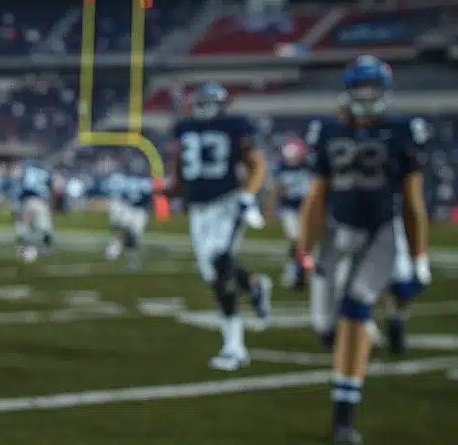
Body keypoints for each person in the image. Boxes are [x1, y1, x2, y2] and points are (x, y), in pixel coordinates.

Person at [300, 56, 431, 445]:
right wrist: (301, 254)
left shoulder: (404, 130)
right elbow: (315, 198)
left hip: (381, 232)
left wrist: (419, 257)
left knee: (355, 310)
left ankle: (343, 418)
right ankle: (366, 334)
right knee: (326, 328)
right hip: (337, 234)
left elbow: (412, 202)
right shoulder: (326, 131)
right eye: (363, 88)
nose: (369, 97)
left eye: (376, 88)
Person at [168, 82, 272, 371]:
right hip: (198, 209)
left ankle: (235, 347)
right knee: (214, 269)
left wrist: (249, 196)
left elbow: (257, 163)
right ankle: (254, 284)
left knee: (219, 264)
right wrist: (174, 190)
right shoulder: (184, 127)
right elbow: (179, 165)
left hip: (227, 201)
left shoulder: (235, 125)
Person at [275, 135, 314, 289]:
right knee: (297, 241)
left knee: (304, 243)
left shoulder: (309, 167)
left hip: (306, 209)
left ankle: (302, 271)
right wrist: (271, 205)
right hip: (290, 209)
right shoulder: (282, 168)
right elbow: (279, 188)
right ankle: (296, 272)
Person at [13, 158, 54, 262]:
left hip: (29, 199)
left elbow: (21, 184)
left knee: (25, 226)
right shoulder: (45, 170)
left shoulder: (27, 168)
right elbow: (50, 186)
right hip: (41, 200)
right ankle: (46, 247)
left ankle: (25, 246)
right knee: (45, 227)